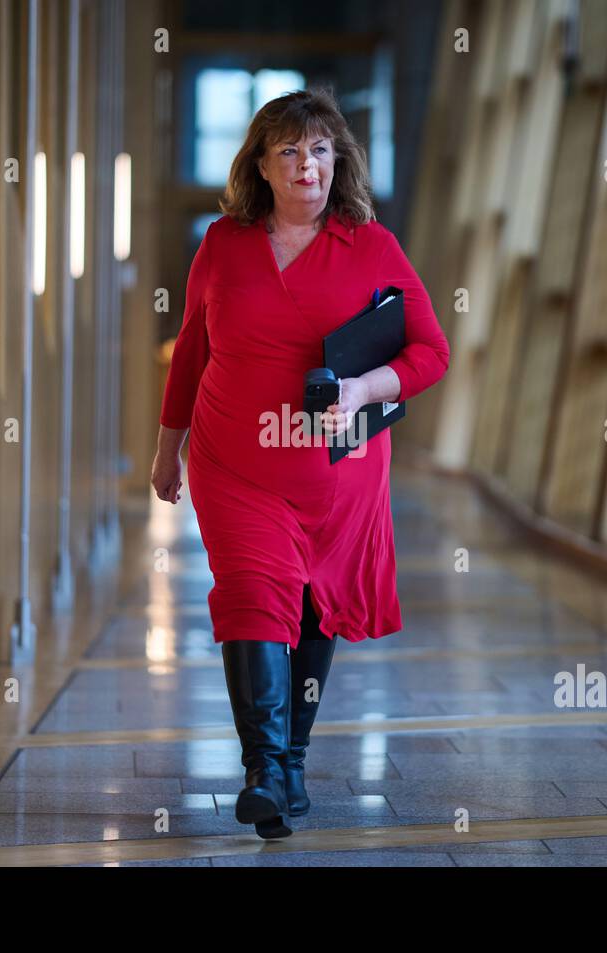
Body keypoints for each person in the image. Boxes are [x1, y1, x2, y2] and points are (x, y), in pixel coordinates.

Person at [151, 88, 450, 839]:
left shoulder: (372, 247)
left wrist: (361, 388)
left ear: (337, 159)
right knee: (253, 592)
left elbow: (429, 352)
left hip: (336, 473)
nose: (305, 164)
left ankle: (290, 762)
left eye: (318, 149)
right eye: (288, 150)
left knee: (316, 609)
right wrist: (167, 448)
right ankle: (264, 768)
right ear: (262, 164)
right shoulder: (222, 244)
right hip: (235, 463)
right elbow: (191, 351)